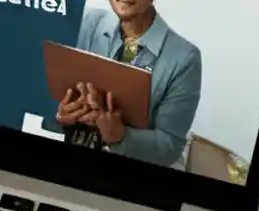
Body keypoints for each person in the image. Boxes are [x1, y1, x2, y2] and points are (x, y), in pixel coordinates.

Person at [51, 0, 202, 167]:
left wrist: (120, 136)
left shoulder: (184, 59)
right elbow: (48, 101)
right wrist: (61, 116)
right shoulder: (84, 21)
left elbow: (169, 146)